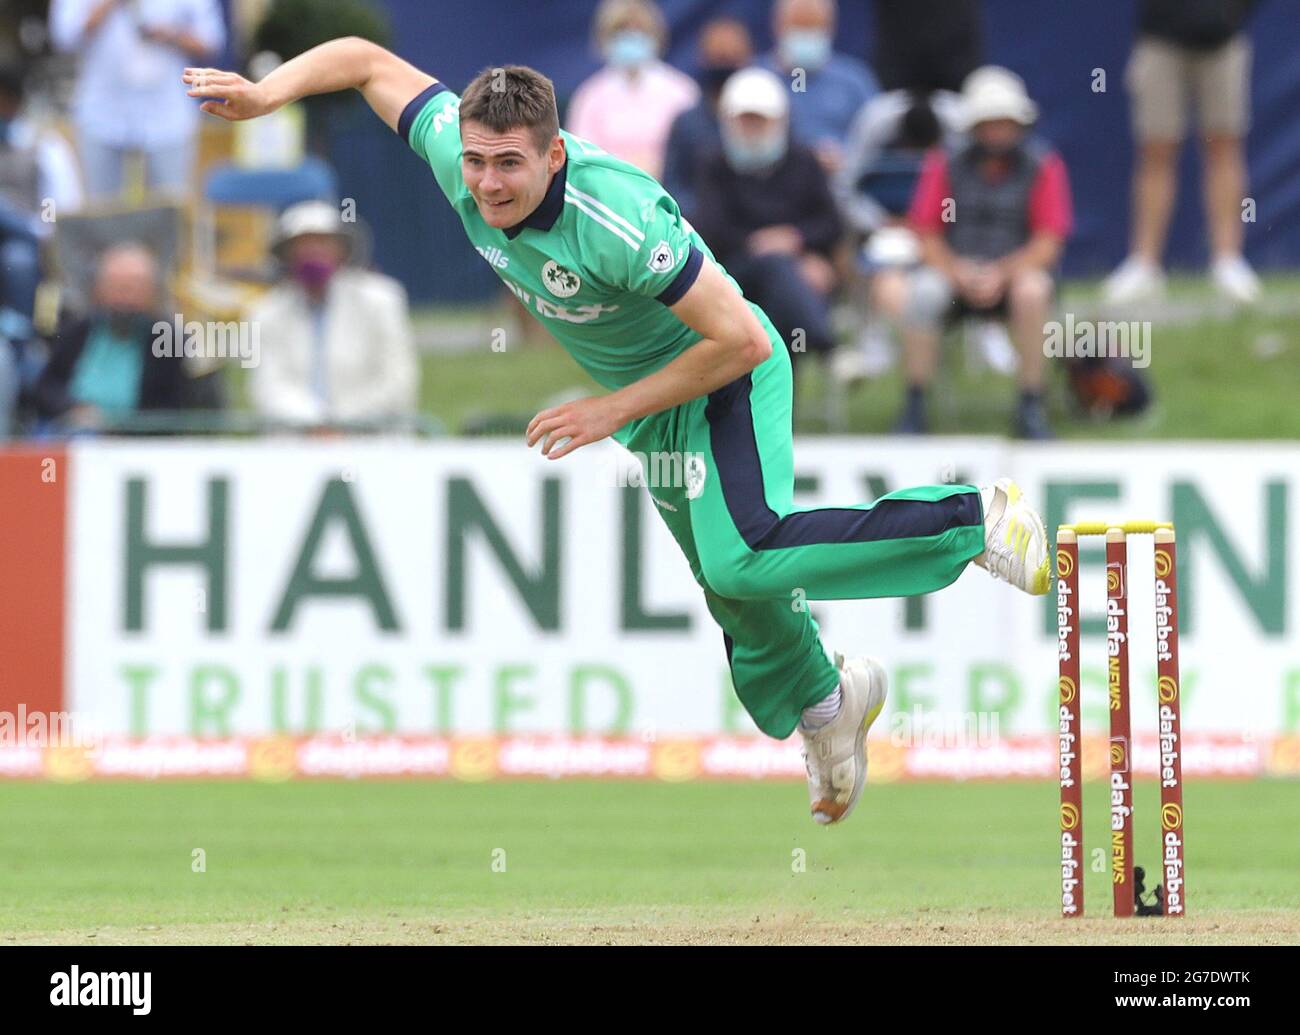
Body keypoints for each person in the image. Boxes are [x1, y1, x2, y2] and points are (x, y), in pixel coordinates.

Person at [182, 41, 1052, 826]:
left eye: (510, 167)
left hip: (724, 374)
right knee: (734, 591)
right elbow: (366, 61)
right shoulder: (456, 146)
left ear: (554, 154)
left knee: (743, 553)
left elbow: (743, 340)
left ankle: (971, 517)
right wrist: (268, 94)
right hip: (653, 401)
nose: (487, 184)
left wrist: (609, 409)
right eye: (477, 162)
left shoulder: (615, 218)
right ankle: (827, 708)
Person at [882, 67, 1073, 439]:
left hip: (1014, 276)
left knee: (1033, 290)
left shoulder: (1043, 166)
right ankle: (915, 403)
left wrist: (1002, 273)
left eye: (1004, 123)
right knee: (922, 292)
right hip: (955, 276)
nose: (996, 132)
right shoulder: (944, 164)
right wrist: (957, 271)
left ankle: (1031, 402)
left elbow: (1048, 242)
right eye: (989, 123)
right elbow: (927, 234)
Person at [1103, 0, 1262, 304]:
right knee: (1155, 150)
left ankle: (1228, 261)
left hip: (1223, 39)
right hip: (1158, 39)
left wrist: (1228, 13)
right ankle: (1144, 264)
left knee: (1224, 148)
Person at [690, 68, 842, 370]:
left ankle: (777, 411)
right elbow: (711, 230)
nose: (752, 128)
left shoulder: (804, 161)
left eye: (760, 120)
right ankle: (827, 346)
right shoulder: (715, 164)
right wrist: (762, 244)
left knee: (779, 296)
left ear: (780, 121)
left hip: (793, 277)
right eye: (745, 119)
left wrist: (796, 241)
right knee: (777, 266)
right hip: (732, 273)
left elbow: (831, 223)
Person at [248, 200, 419, 427]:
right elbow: (268, 386)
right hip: (294, 443)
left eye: (322, 242)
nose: (313, 251)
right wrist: (313, 424)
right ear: (287, 253)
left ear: (341, 249)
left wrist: (342, 423)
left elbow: (397, 381)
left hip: (373, 439)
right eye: (303, 244)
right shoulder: (267, 311)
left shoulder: (381, 301)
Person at [49, 0, 226, 201]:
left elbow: (212, 42)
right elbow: (63, 37)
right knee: (102, 213)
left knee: (171, 209)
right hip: (102, 113)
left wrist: (172, 35)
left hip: (167, 115)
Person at [29, 242, 196, 430]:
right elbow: (46, 388)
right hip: (70, 433)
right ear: (99, 289)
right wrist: (73, 409)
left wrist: (121, 426)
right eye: (117, 286)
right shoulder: (75, 331)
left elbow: (175, 410)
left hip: (138, 443)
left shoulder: (169, 342)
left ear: (153, 291)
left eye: (135, 287)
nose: (125, 298)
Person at [565, 0, 699, 180]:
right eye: (622, 31)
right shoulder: (590, 95)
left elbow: (693, 151)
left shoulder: (681, 90)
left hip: (669, 192)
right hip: (609, 192)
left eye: (639, 31)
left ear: (654, 35)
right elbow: (580, 157)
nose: (631, 38)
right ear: (605, 38)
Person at [760, 0, 879, 174]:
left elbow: (878, 137)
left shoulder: (855, 81)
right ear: (777, 26)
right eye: (799, 28)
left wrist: (847, 157)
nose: (806, 35)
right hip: (772, 183)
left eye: (813, 28)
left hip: (842, 184)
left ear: (830, 29)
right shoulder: (758, 80)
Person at [661, 16, 754, 219]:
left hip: (753, 229)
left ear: (747, 59)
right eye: (719, 58)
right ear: (702, 59)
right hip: (700, 229)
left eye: (732, 58)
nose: (725, 66)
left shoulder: (763, 118)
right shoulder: (686, 123)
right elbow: (673, 186)